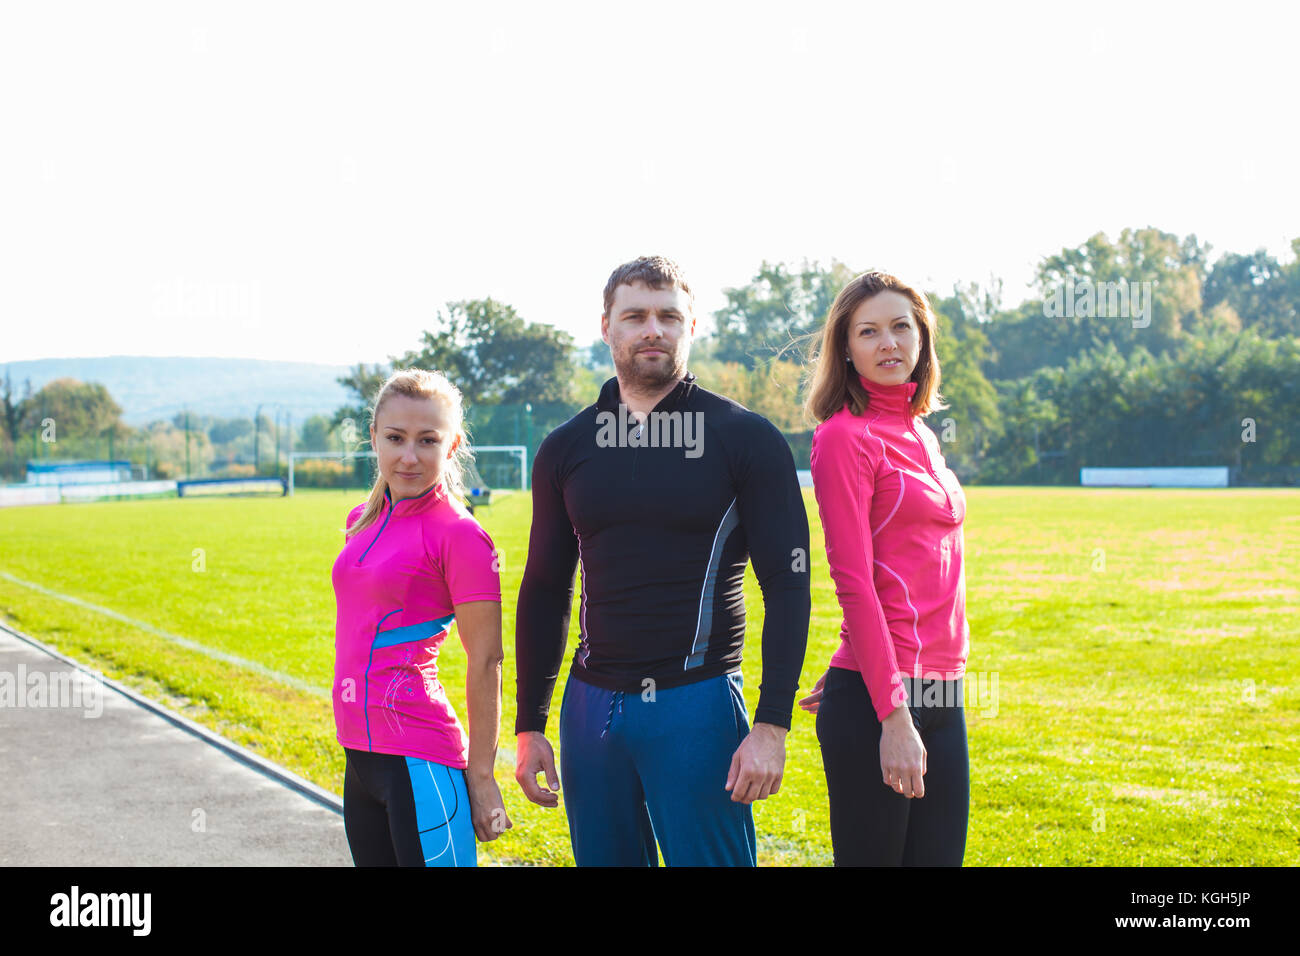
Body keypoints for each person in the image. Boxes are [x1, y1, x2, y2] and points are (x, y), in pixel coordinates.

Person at [513, 255, 811, 866]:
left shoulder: (745, 438)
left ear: (691, 326)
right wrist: (530, 723)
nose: (653, 329)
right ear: (607, 327)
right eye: (636, 316)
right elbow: (545, 586)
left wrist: (772, 724)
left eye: (668, 316)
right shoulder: (567, 447)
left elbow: (787, 584)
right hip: (591, 711)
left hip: (695, 707)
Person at [798, 271, 971, 866]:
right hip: (885, 704)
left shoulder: (921, 433)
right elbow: (854, 580)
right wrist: (888, 707)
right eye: (868, 332)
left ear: (922, 337)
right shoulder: (845, 438)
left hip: (944, 692)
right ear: (846, 349)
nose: (888, 343)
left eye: (901, 326)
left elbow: (921, 564)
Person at [331, 368, 511, 866]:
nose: (409, 456)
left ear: (451, 446)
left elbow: (488, 659)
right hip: (360, 755)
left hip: (420, 758)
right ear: (374, 438)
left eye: (427, 440)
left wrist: (481, 776)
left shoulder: (460, 535)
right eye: (395, 438)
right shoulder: (359, 521)